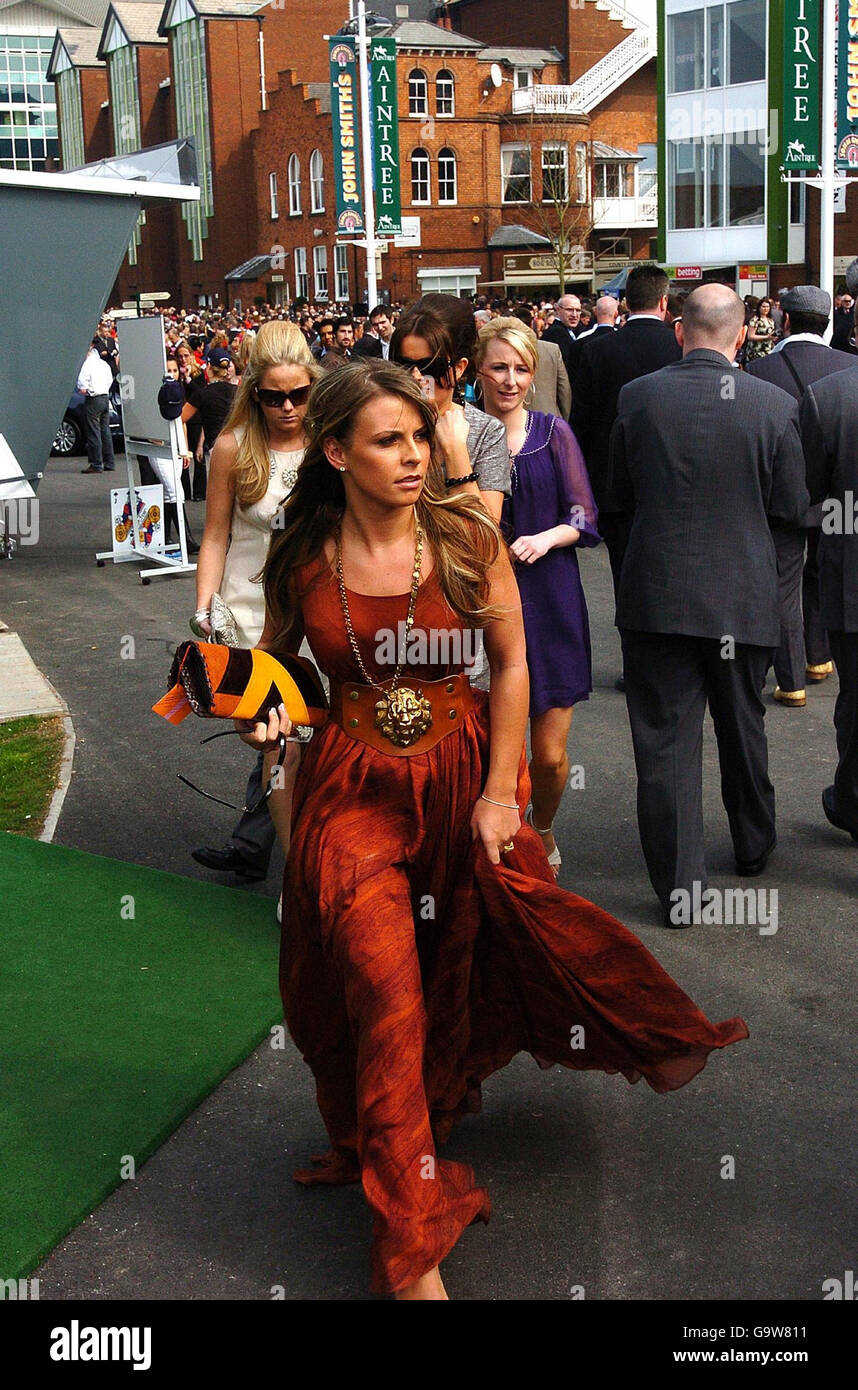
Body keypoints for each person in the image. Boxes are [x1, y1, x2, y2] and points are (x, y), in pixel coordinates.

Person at [235, 359, 747, 1300]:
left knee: (471, 952)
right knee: (383, 992)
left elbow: (511, 665)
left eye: (421, 437)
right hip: (349, 794)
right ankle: (412, 1247)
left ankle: (495, 1081)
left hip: (461, 777)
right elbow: (276, 672)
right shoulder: (301, 554)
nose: (415, 456)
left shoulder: (468, 538)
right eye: (389, 441)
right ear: (337, 451)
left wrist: (504, 793)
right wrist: (265, 713)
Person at [607, 285, 809, 922]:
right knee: (743, 725)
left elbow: (618, 498)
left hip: (657, 598)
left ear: (677, 330)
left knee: (665, 744)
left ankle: (681, 889)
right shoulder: (774, 406)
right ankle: (753, 841)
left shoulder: (638, 399)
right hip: (742, 597)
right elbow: (790, 514)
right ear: (743, 334)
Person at [191, 322, 319, 882]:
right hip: (251, 615)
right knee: (282, 743)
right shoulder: (232, 447)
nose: (288, 407)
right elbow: (215, 535)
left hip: (322, 612)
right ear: (254, 393)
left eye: (299, 394)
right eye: (274, 397)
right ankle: (299, 880)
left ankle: (262, 848)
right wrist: (204, 606)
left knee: (307, 741)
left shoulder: (331, 444)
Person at [476, 317, 600, 874]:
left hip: (550, 600)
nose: (509, 379)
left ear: (534, 374)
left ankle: (541, 827)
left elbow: (584, 516)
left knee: (549, 757)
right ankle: (493, 847)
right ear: (477, 369)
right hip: (480, 603)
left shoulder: (555, 434)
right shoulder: (457, 435)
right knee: (486, 752)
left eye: (521, 369)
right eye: (499, 366)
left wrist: (547, 536)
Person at [571, 264, 682, 689]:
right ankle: (674, 663)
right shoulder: (678, 349)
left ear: (622, 304)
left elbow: (580, 422)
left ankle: (636, 665)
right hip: (671, 482)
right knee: (672, 573)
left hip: (613, 486)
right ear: (664, 302)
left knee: (626, 578)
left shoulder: (597, 351)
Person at [746, 285, 855, 705]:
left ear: (784, 320)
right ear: (828, 322)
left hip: (783, 497)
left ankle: (791, 680)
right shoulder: (848, 367)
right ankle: (821, 655)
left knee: (785, 585)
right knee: (824, 574)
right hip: (837, 502)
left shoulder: (759, 373)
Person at [799, 336, 858, 840]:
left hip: (850, 580)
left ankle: (851, 799)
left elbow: (810, 493)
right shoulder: (829, 396)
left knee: (856, 698)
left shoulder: (828, 397)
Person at [389, 299, 509, 523]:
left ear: (460, 367)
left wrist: (455, 451)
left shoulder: (486, 432)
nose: (416, 376)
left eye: (430, 367)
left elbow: (485, 537)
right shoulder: (381, 423)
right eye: (403, 365)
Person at [180, 346, 238, 502]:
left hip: (217, 448)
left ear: (210, 368)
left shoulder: (202, 394)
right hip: (240, 444)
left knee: (221, 494)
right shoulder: (238, 391)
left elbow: (180, 419)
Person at [513, 306, 571, 419]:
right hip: (549, 418)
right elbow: (564, 390)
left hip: (513, 420)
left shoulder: (500, 350)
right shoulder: (551, 349)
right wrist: (564, 420)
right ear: (531, 324)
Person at [77, 339, 116, 474]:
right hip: (105, 397)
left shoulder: (87, 364)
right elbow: (110, 379)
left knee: (93, 431)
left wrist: (87, 389)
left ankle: (96, 463)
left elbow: (82, 384)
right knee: (105, 431)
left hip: (94, 398)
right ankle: (109, 462)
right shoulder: (103, 364)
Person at [538, 294, 579, 391]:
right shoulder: (558, 334)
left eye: (578, 310)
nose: (574, 315)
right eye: (569, 310)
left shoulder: (562, 331)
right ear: (557, 310)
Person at [744, 297, 777, 363]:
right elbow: (750, 336)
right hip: (756, 351)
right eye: (763, 307)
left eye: (767, 307)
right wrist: (766, 337)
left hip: (768, 350)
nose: (766, 309)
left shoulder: (770, 320)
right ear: (759, 308)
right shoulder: (755, 320)